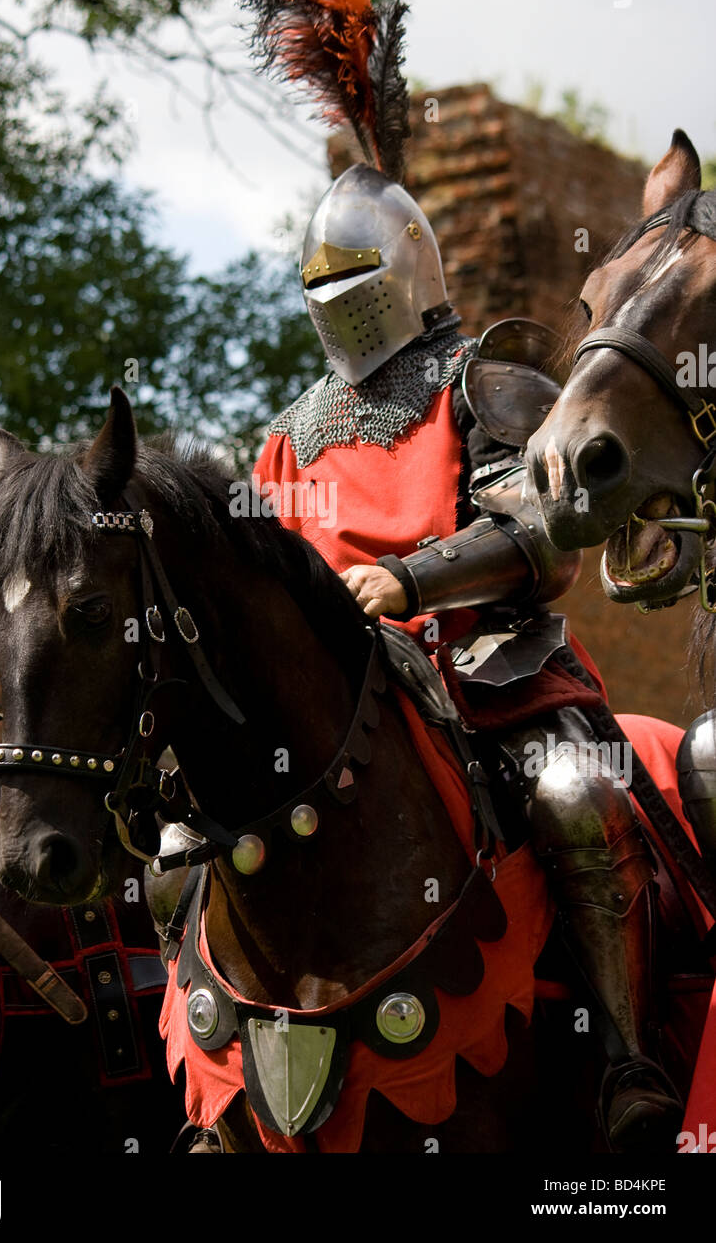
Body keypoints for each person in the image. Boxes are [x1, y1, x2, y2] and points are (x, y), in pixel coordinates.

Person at [253, 162, 682, 1150]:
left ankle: (623, 1059)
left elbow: (542, 536)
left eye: (352, 272)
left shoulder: (485, 385)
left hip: (484, 667)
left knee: (576, 790)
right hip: (332, 690)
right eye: (316, 279)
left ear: (407, 268)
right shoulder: (286, 438)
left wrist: (408, 581)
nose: (335, 299)